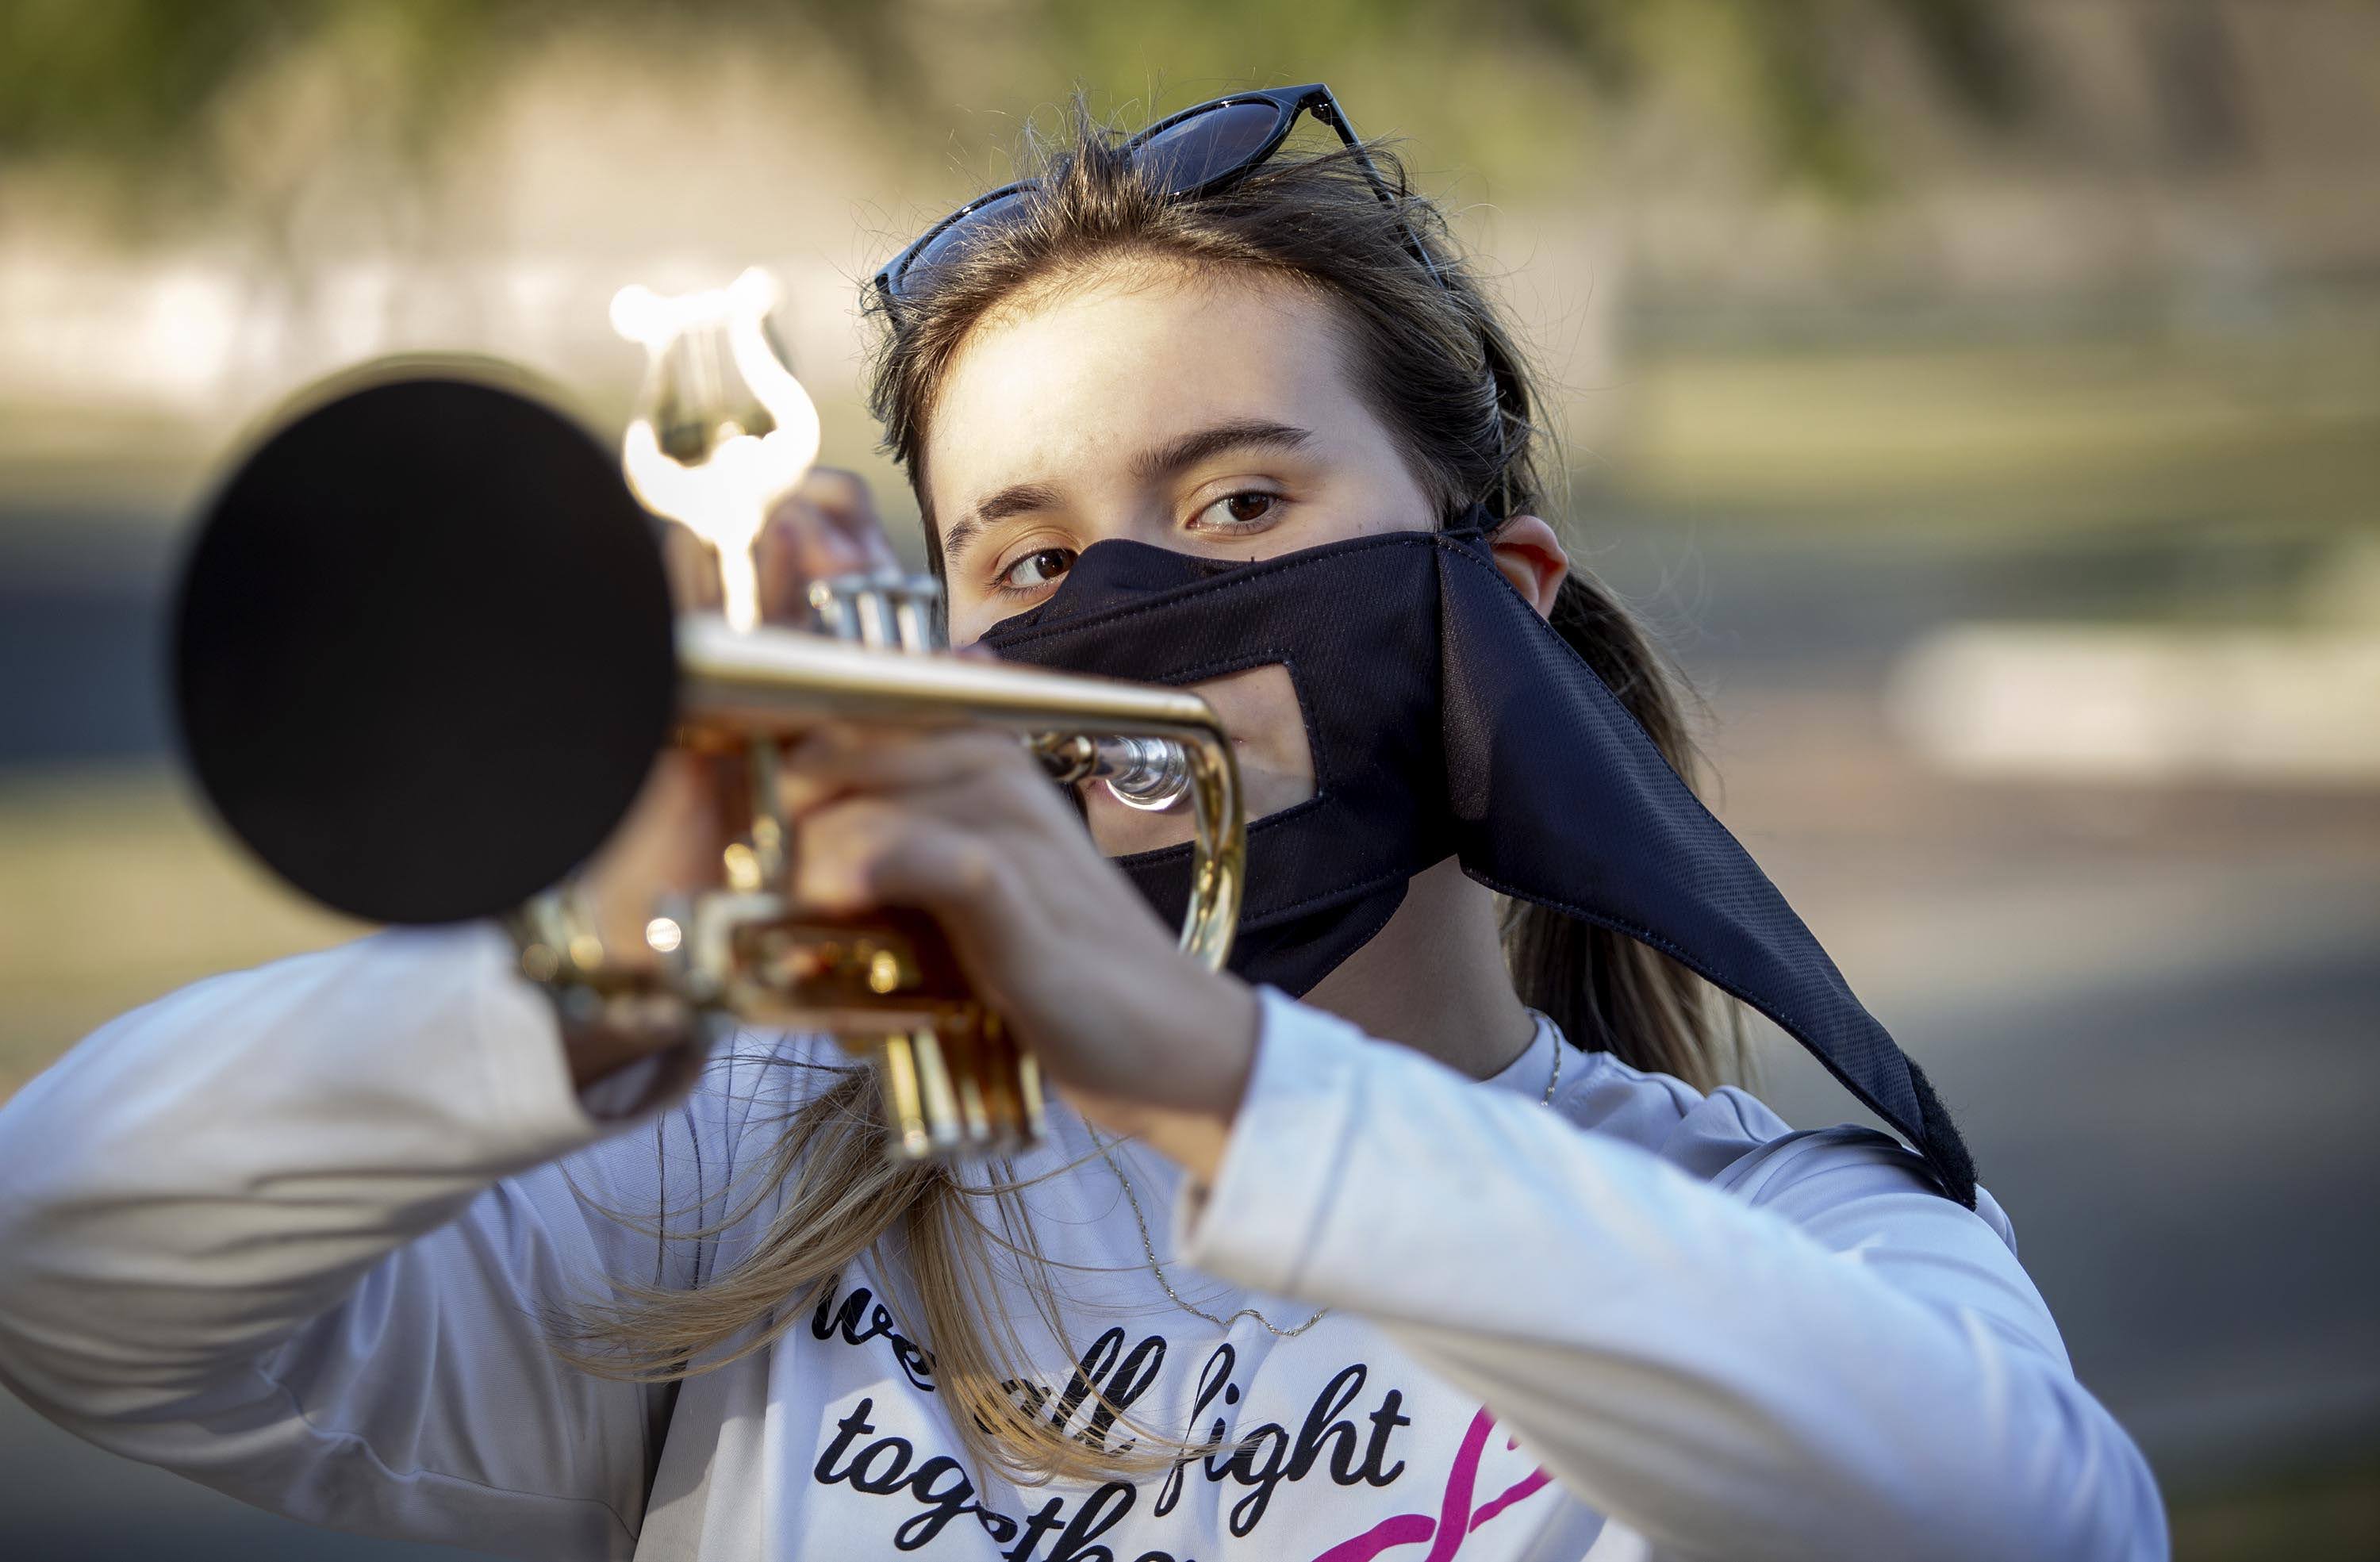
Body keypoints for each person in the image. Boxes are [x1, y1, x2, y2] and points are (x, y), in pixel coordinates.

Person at [0, 90, 2167, 1560]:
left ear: (1488, 607)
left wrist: (1201, 1063)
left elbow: (2030, 1522)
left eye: (1239, 504)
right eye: (1020, 564)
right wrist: (601, 968)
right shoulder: (738, 1191)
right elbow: (58, 1265)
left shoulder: (1780, 1233)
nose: (1122, 617)